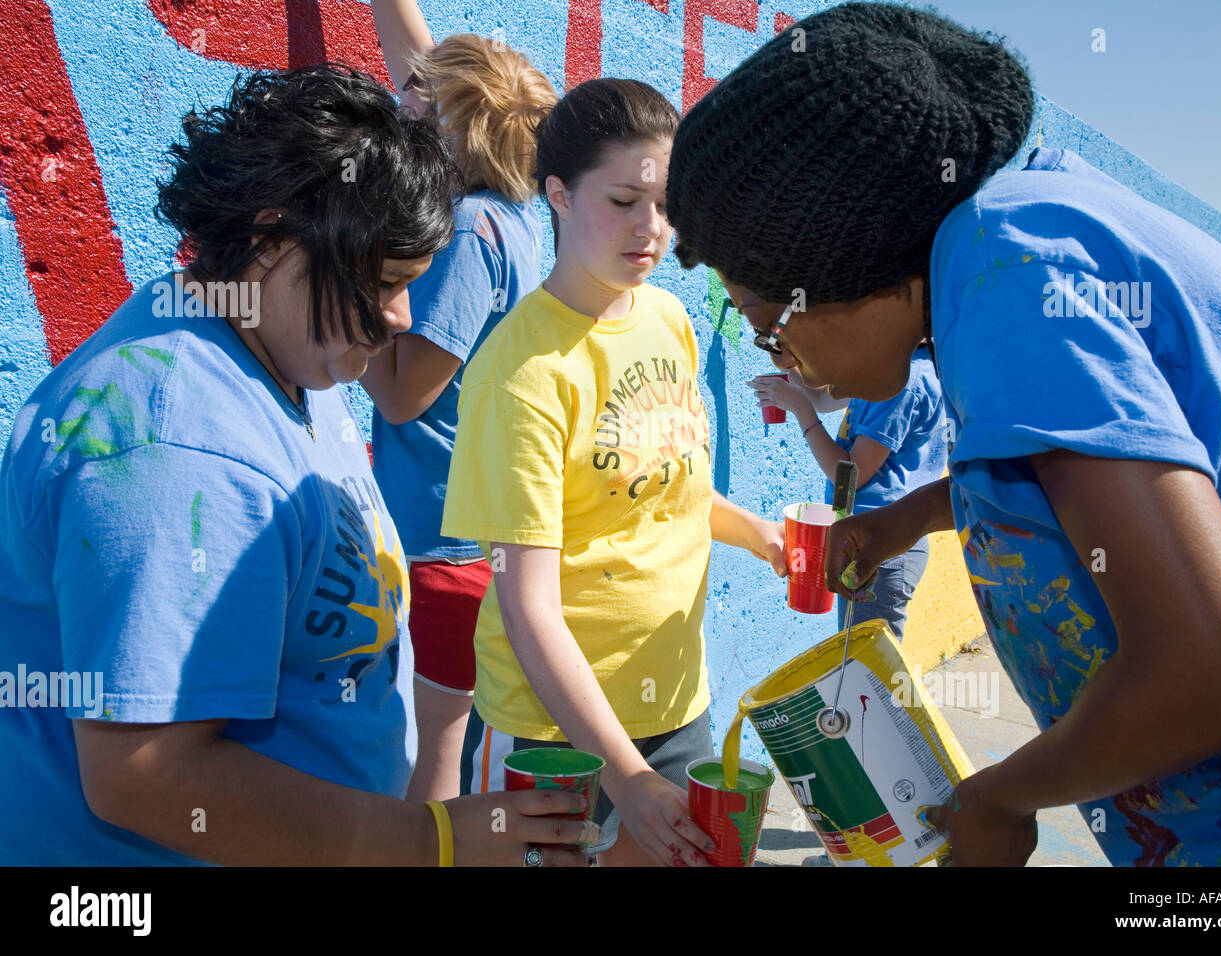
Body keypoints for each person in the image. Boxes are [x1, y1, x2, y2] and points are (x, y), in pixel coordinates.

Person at [665, 2, 1221, 866]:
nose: (791, 362)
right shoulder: (1010, 241)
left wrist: (1001, 797)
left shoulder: (1013, 279)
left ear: (841, 264)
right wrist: (902, 521)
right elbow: (1075, 490)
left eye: (773, 326)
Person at [0, 65, 589, 866]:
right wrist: (434, 838)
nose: (399, 320)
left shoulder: (279, 347)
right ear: (273, 240)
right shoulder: (177, 450)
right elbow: (146, 774)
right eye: (383, 283)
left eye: (412, 285)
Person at [442, 77, 788, 866]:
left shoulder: (667, 318)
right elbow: (527, 606)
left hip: (674, 704)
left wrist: (758, 535)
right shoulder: (520, 374)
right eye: (625, 201)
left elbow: (673, 490)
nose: (653, 229)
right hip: (548, 733)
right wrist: (623, 775)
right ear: (559, 195)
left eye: (666, 204)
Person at [363, 3, 558, 803]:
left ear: (454, 128)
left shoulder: (472, 234)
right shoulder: (511, 212)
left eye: (421, 100)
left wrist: (347, 288)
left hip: (437, 554)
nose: (402, 99)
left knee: (426, 765)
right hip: (460, 542)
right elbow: (425, 63)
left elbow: (406, 394)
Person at [749, 355, 947, 639]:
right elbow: (826, 399)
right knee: (860, 660)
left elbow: (849, 476)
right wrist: (792, 378)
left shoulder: (903, 383)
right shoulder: (889, 369)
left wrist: (800, 408)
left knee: (868, 669)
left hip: (882, 546)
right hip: (864, 538)